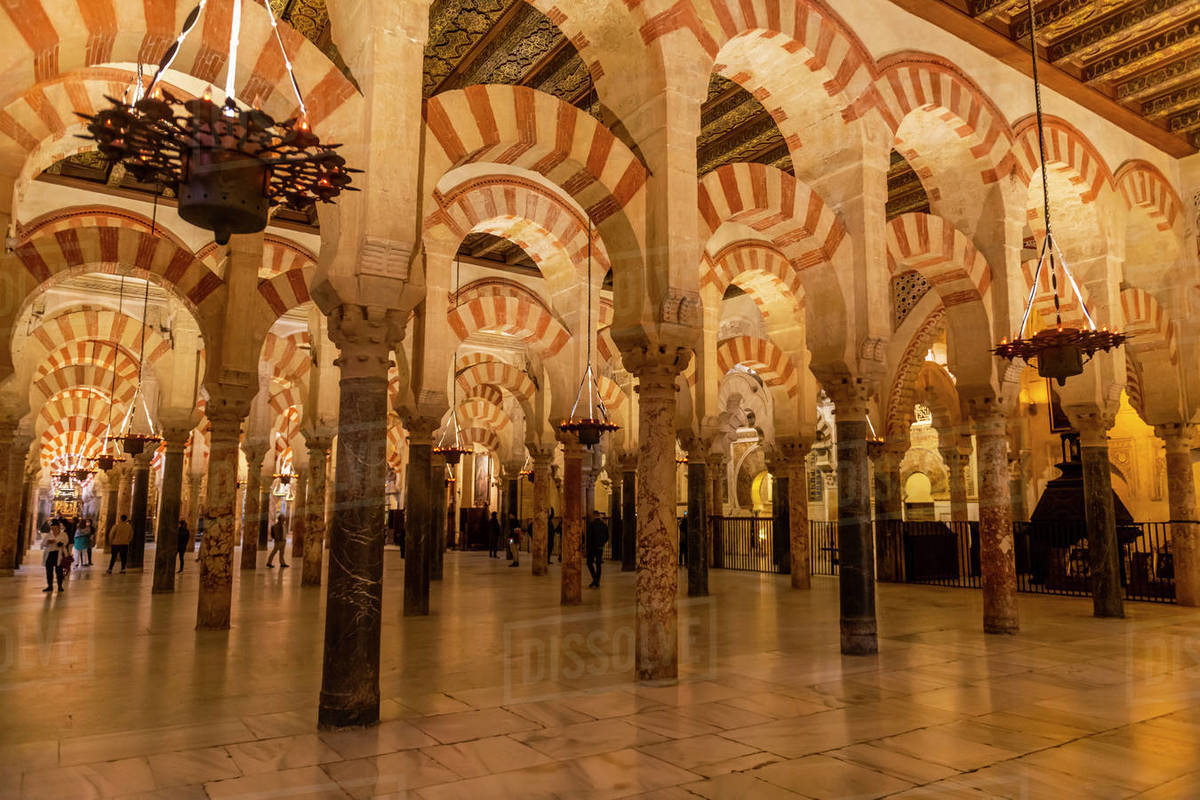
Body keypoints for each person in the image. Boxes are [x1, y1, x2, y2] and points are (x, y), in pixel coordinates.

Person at [41, 525, 68, 592]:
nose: (54, 529)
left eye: (55, 528)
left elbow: (65, 543)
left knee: (59, 571)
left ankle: (60, 586)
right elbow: (43, 544)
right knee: (49, 571)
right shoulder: (48, 535)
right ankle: (50, 586)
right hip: (50, 554)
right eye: (52, 528)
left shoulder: (63, 535)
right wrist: (47, 542)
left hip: (58, 554)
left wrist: (56, 541)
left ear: (58, 528)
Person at [586, 511, 609, 588]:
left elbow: (589, 537)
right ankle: (597, 581)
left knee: (589, 563)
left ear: (593, 516)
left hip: (592, 548)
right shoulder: (604, 525)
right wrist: (602, 543)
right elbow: (607, 536)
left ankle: (595, 579)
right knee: (598, 564)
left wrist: (587, 547)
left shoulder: (591, 525)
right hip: (600, 547)